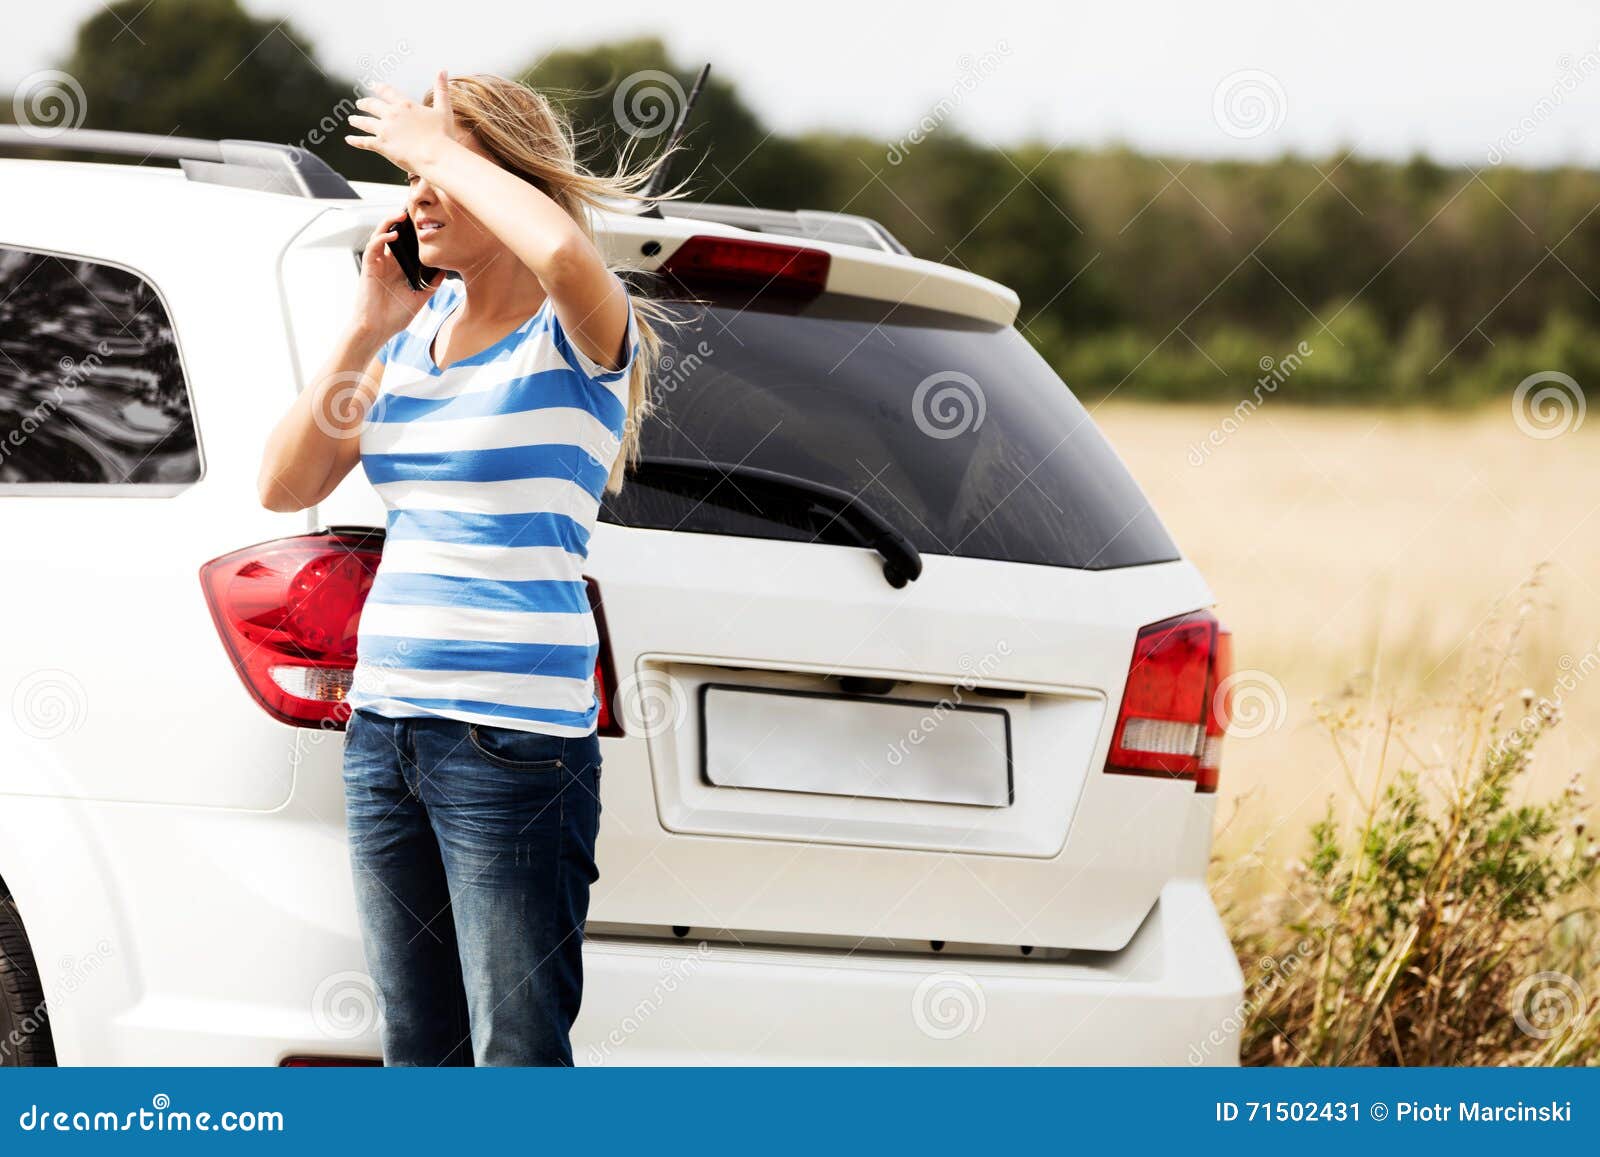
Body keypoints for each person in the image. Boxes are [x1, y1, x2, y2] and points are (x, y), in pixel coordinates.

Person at [256, 70, 668, 1065]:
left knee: (516, 1050)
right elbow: (285, 479)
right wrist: (369, 323)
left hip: (510, 739)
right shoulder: (413, 341)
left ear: (504, 183)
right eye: (412, 175)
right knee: (420, 1050)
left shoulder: (574, 334)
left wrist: (435, 146)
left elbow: (565, 248)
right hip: (385, 730)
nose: (418, 193)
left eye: (443, 170)